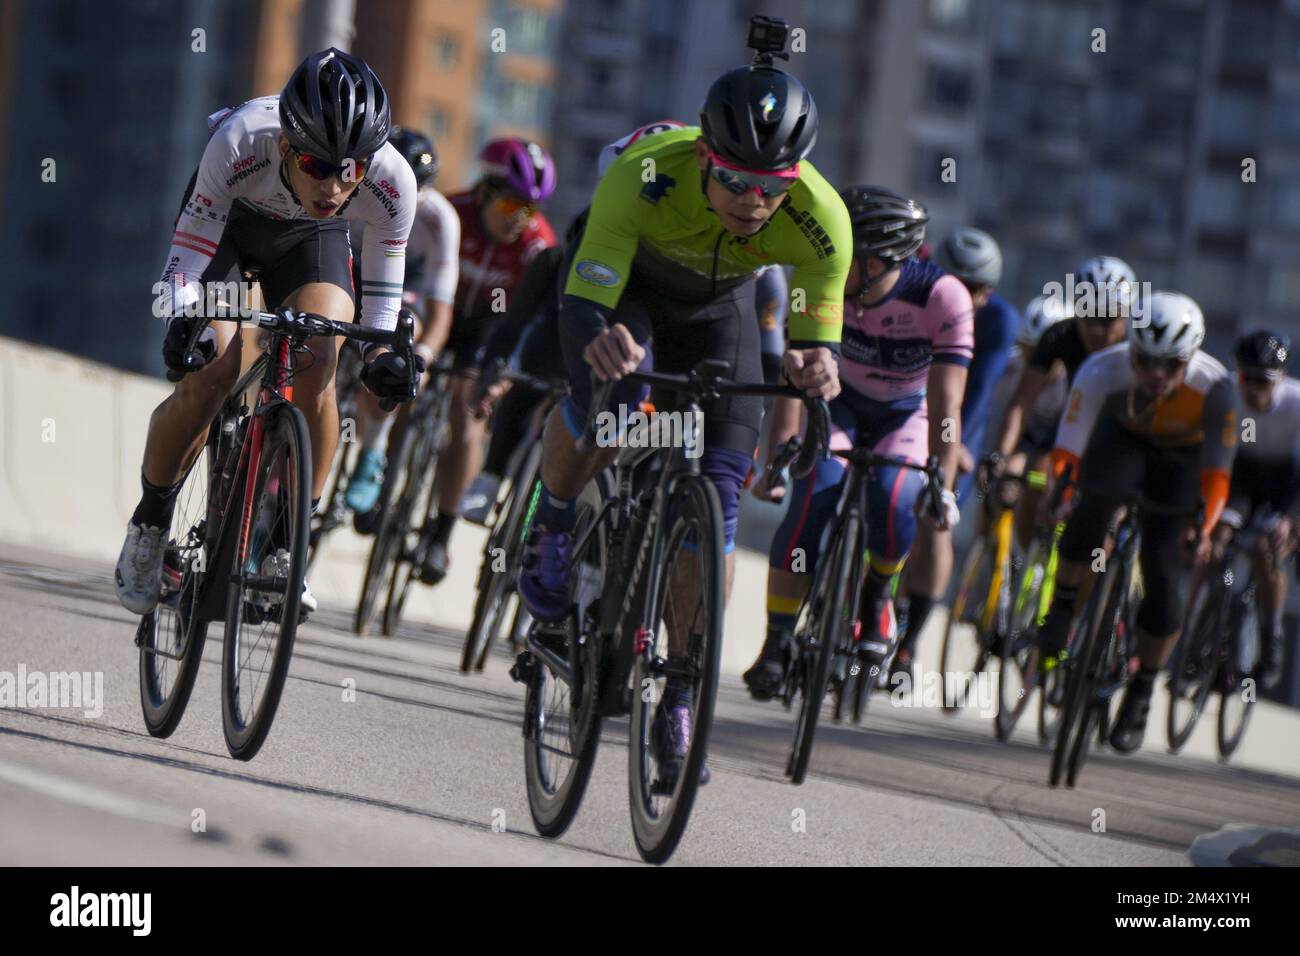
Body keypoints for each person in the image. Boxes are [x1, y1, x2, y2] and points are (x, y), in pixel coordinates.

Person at [515, 52, 850, 784]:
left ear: (796, 180)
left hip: (721, 310)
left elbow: (812, 339)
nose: (751, 201)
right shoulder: (643, 174)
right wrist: (599, 338)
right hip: (630, 285)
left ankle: (683, 689)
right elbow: (584, 297)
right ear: (703, 156)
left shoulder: (825, 220)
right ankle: (556, 522)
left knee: (720, 498)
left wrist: (814, 364)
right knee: (609, 404)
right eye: (733, 179)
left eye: (770, 188)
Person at [114, 48, 418, 616]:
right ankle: (150, 522)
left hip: (310, 241)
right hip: (228, 229)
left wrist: (381, 353)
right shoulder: (240, 138)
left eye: (349, 170)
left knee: (320, 365)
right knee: (213, 373)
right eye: (318, 167)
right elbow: (190, 249)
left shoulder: (391, 179)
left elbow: (381, 297)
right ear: (286, 146)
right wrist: (183, 314)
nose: (334, 186)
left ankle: (285, 546)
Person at [743, 187, 972, 699]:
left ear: (880, 261)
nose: (836, 268)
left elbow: (948, 405)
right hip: (836, 403)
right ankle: (776, 642)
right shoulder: (818, 279)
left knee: (894, 499)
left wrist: (944, 484)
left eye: (850, 260)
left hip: (905, 412)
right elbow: (794, 377)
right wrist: (779, 457)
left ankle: (876, 595)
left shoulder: (942, 297)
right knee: (809, 500)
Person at [1035, 291, 1238, 753]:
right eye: (1145, 361)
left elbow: (1218, 473)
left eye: (1170, 366)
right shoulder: (1102, 368)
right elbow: (1068, 448)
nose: (1155, 376)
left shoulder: (1217, 386)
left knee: (1166, 576)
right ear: (1132, 351)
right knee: (1091, 504)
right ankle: (1063, 607)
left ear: (1190, 358)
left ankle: (1142, 690)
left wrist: (1202, 529)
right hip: (1120, 441)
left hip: (1182, 462)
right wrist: (1060, 491)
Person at [408, 138, 558, 584]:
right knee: (408, 381)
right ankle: (379, 476)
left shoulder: (536, 246)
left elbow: (529, 322)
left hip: (488, 329)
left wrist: (506, 369)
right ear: (485, 191)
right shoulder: (451, 215)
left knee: (467, 410)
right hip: (442, 311)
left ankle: (441, 532)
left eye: (529, 210)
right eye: (512, 204)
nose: (519, 219)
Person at [891, 227, 1016, 682]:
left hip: (955, 421)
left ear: (991, 292)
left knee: (934, 524)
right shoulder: (916, 292)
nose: (964, 297)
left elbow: (976, 391)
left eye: (976, 290)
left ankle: (909, 642)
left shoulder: (1000, 322)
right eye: (954, 283)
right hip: (904, 407)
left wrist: (956, 445)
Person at [345, 126, 459, 516]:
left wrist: (422, 356)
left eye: (419, 189)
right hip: (349, 275)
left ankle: (372, 452)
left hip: (399, 292)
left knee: (398, 345)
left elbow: (440, 310)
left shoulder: (441, 220)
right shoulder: (352, 192)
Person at [983, 256, 1135, 551]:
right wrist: (1002, 455)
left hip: (1121, 434)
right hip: (1074, 423)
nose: (1095, 329)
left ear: (1125, 315)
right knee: (1035, 481)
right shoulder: (1060, 335)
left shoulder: (1135, 348)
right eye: (1086, 316)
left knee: (1101, 532)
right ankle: (1028, 567)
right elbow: (1021, 403)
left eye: (1106, 320)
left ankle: (1093, 587)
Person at [1210, 331, 1299, 689]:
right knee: (1213, 544)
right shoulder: (1226, 393)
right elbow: (1218, 459)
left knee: (1268, 549)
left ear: (1280, 378)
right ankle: (1204, 639)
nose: (1254, 389)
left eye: (1263, 381)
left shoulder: (1295, 404)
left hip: (1287, 485)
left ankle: (1271, 634)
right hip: (1242, 476)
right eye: (1247, 378)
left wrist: (1290, 521)